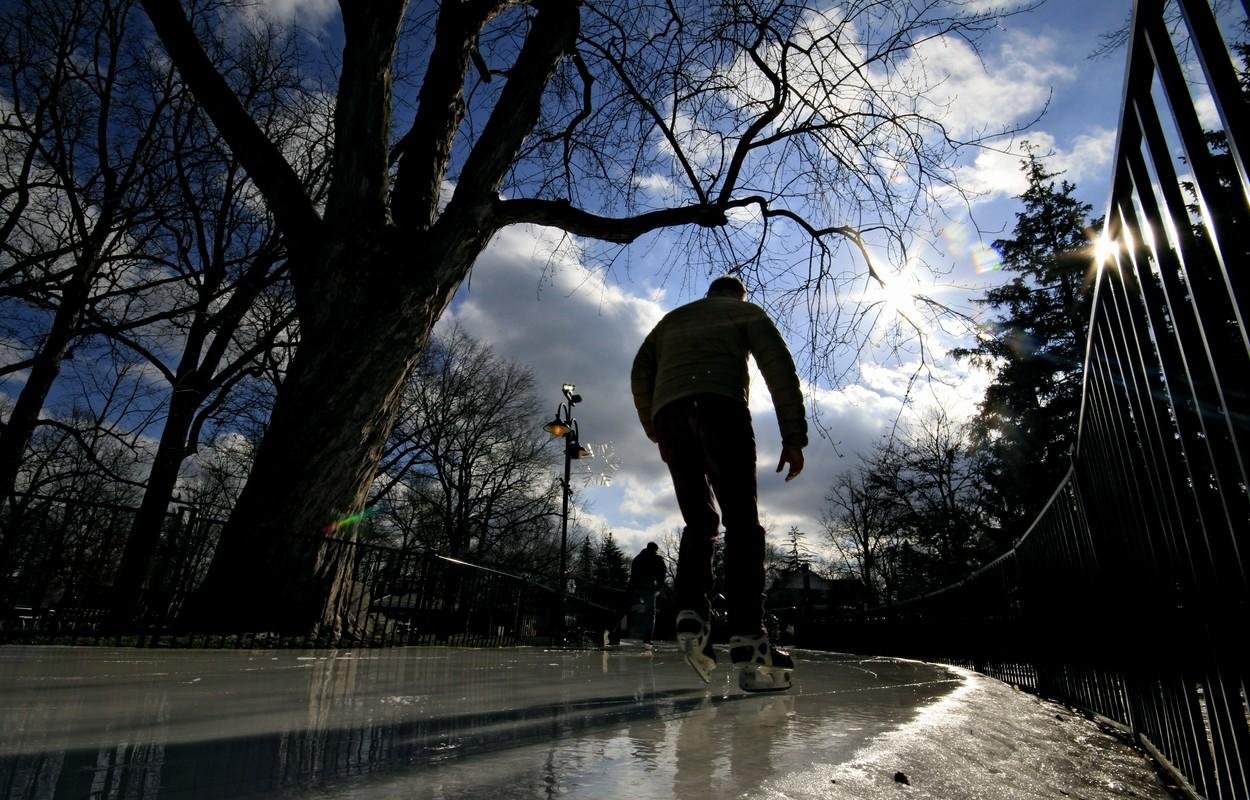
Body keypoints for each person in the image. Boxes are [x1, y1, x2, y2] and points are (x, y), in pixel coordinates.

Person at [630, 275, 806, 692]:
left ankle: (691, 609)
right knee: (742, 521)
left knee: (700, 520)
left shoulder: (671, 320)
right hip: (721, 408)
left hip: (671, 415)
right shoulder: (745, 312)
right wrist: (793, 437)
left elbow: (640, 370)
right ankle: (749, 635)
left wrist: (655, 426)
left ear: (709, 292)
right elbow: (778, 368)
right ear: (738, 295)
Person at [627, 542, 666, 644]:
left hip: (635, 588)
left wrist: (632, 587)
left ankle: (611, 632)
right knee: (650, 613)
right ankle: (647, 638)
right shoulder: (657, 559)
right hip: (648, 589)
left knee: (625, 609)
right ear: (655, 549)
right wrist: (658, 588)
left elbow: (633, 573)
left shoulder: (638, 558)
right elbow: (662, 575)